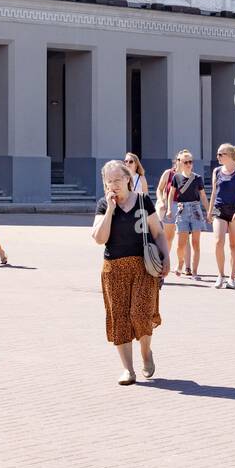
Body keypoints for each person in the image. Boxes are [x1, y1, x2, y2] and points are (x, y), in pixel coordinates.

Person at [92, 160, 169, 385]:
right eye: (109, 181)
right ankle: (128, 370)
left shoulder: (143, 201)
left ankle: (146, 353)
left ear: (128, 178)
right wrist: (110, 210)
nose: (113, 185)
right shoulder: (103, 205)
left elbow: (158, 233)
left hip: (143, 267)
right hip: (114, 268)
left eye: (117, 180)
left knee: (140, 314)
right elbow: (99, 239)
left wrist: (167, 257)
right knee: (120, 320)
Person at [207, 143, 235, 289]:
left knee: (233, 245)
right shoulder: (217, 171)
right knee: (218, 241)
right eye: (217, 154)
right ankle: (220, 275)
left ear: (229, 155)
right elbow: (213, 192)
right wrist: (210, 210)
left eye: (220, 154)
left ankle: (232, 277)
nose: (217, 156)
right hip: (219, 209)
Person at [167, 151, 209, 279]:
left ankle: (195, 271)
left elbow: (202, 195)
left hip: (196, 210)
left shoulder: (197, 178)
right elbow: (171, 194)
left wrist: (208, 211)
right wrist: (169, 209)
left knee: (196, 243)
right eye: (186, 162)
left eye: (190, 162)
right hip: (182, 210)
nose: (189, 164)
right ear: (180, 162)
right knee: (181, 244)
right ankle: (180, 263)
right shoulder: (176, 177)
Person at [155, 155, 182, 254]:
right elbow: (159, 189)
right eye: (181, 160)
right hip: (169, 207)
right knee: (167, 238)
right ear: (176, 161)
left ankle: (181, 264)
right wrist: (161, 200)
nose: (184, 162)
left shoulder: (188, 175)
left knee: (183, 239)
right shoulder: (168, 173)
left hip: (183, 207)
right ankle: (164, 260)